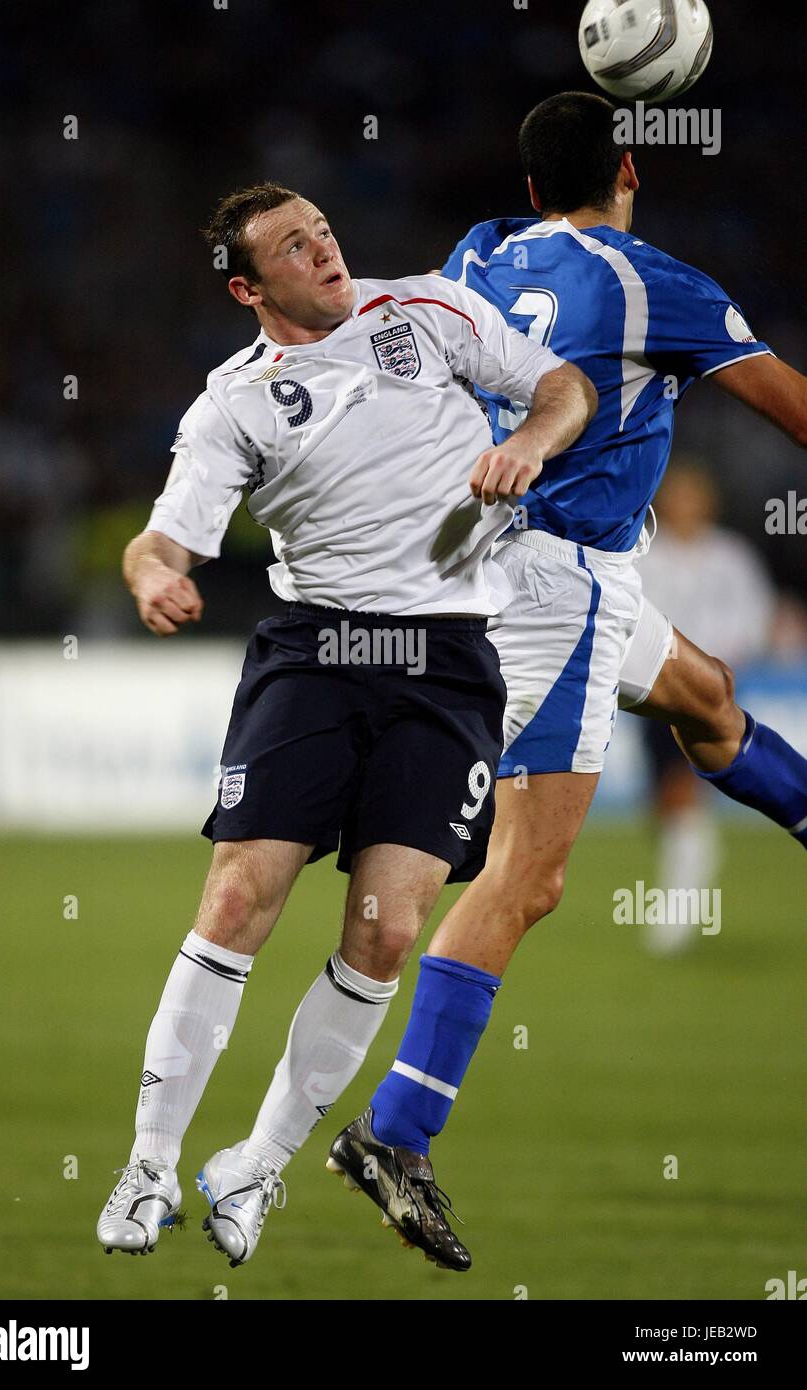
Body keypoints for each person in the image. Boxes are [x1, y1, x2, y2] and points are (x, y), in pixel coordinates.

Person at [328, 92, 807, 1271]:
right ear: (632, 166)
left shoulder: (479, 250)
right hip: (560, 583)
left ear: (532, 187)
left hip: (481, 559)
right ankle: (394, 1134)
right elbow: (792, 410)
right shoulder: (661, 285)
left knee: (701, 697)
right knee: (525, 877)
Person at [95, 182, 596, 1263]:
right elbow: (162, 540)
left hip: (448, 659)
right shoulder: (232, 401)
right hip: (317, 652)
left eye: (323, 226)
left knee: (385, 931)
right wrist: (150, 580)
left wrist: (535, 445)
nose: (324, 248)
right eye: (291, 245)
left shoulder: (428, 312)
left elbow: (561, 388)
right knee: (236, 895)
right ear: (247, 287)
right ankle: (148, 1162)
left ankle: (258, 1165)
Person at [636, 462, 776, 954]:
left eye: (693, 496)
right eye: (676, 496)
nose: (684, 506)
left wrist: (718, 660)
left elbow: (757, 618)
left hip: (710, 690)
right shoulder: (643, 554)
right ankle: (690, 861)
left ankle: (676, 916)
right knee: (664, 802)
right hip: (653, 689)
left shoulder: (729, 557)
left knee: (682, 790)